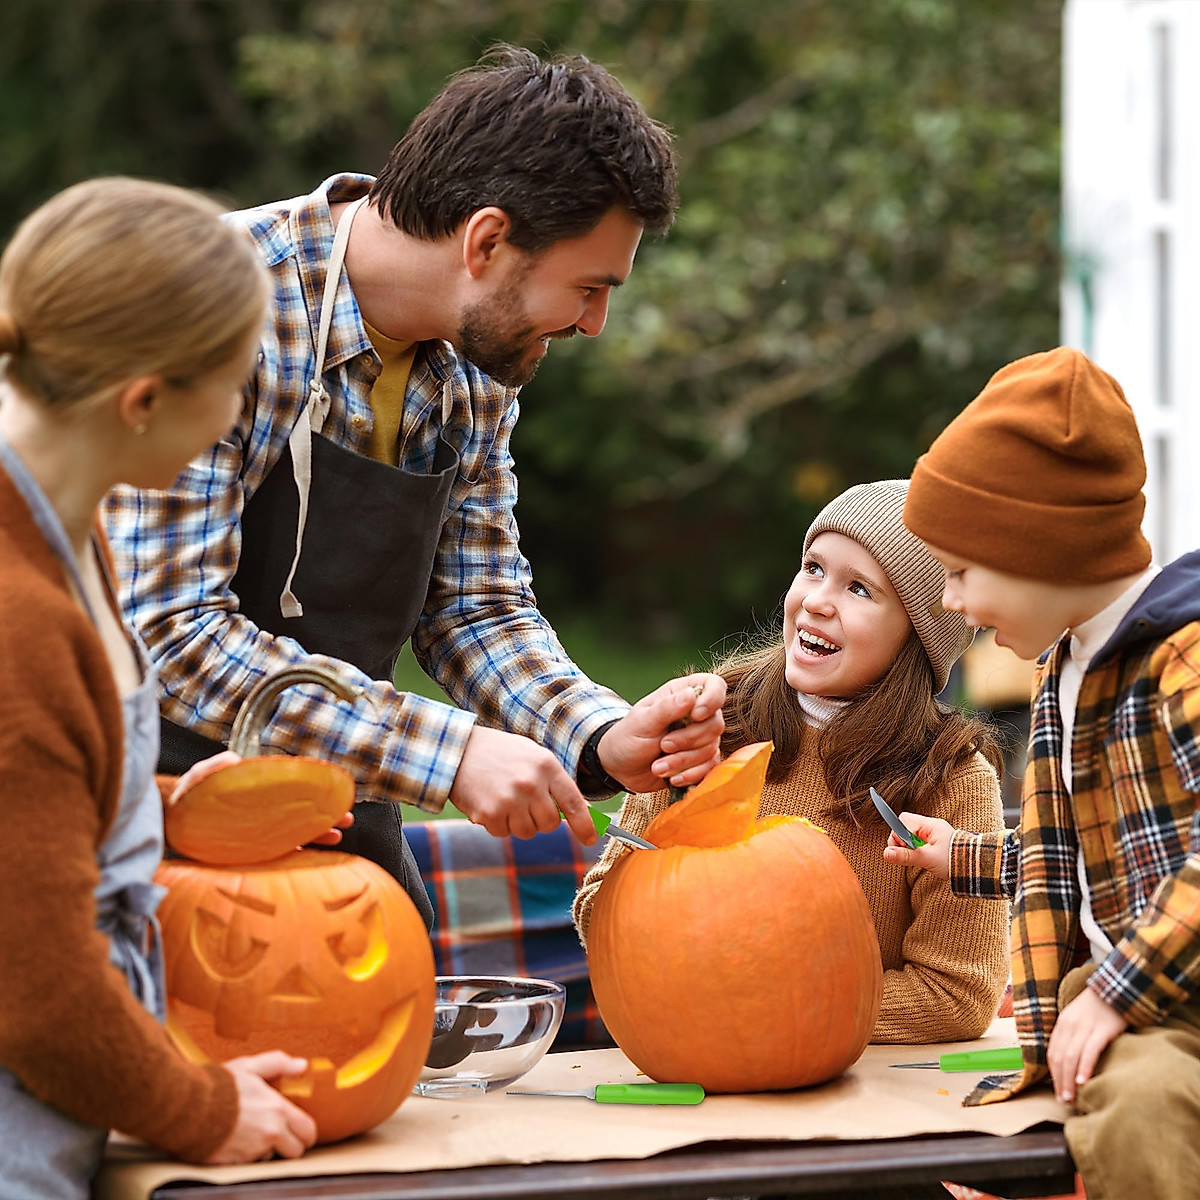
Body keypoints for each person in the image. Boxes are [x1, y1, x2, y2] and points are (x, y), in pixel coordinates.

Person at [101, 45, 724, 925]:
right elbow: (169, 632)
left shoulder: (477, 370)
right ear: (488, 240)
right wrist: (450, 752)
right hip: (131, 817)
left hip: (338, 801)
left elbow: (476, 605)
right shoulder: (204, 306)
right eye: (588, 287)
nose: (595, 322)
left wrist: (599, 734)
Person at [0, 177, 334, 1196]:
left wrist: (158, 808)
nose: (243, 414)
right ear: (140, 402)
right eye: (235, 386)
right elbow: (41, 999)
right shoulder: (16, 618)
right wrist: (201, 1107)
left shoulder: (69, 527)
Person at [892, 346, 1200, 1200]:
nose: (950, 602)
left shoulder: (1183, 661)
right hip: (1133, 1002)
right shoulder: (1066, 667)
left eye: (959, 572)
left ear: (1045, 548)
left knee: (1141, 1107)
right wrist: (968, 857)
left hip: (1169, 998)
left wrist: (1114, 993)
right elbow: (1092, 857)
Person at [574, 480, 1010, 1044]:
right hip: (688, 1055)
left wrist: (778, 1010)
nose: (817, 600)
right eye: (813, 568)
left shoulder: (949, 777)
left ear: (917, 637)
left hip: (853, 1094)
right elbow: (599, 908)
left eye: (859, 589)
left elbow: (956, 995)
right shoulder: (709, 723)